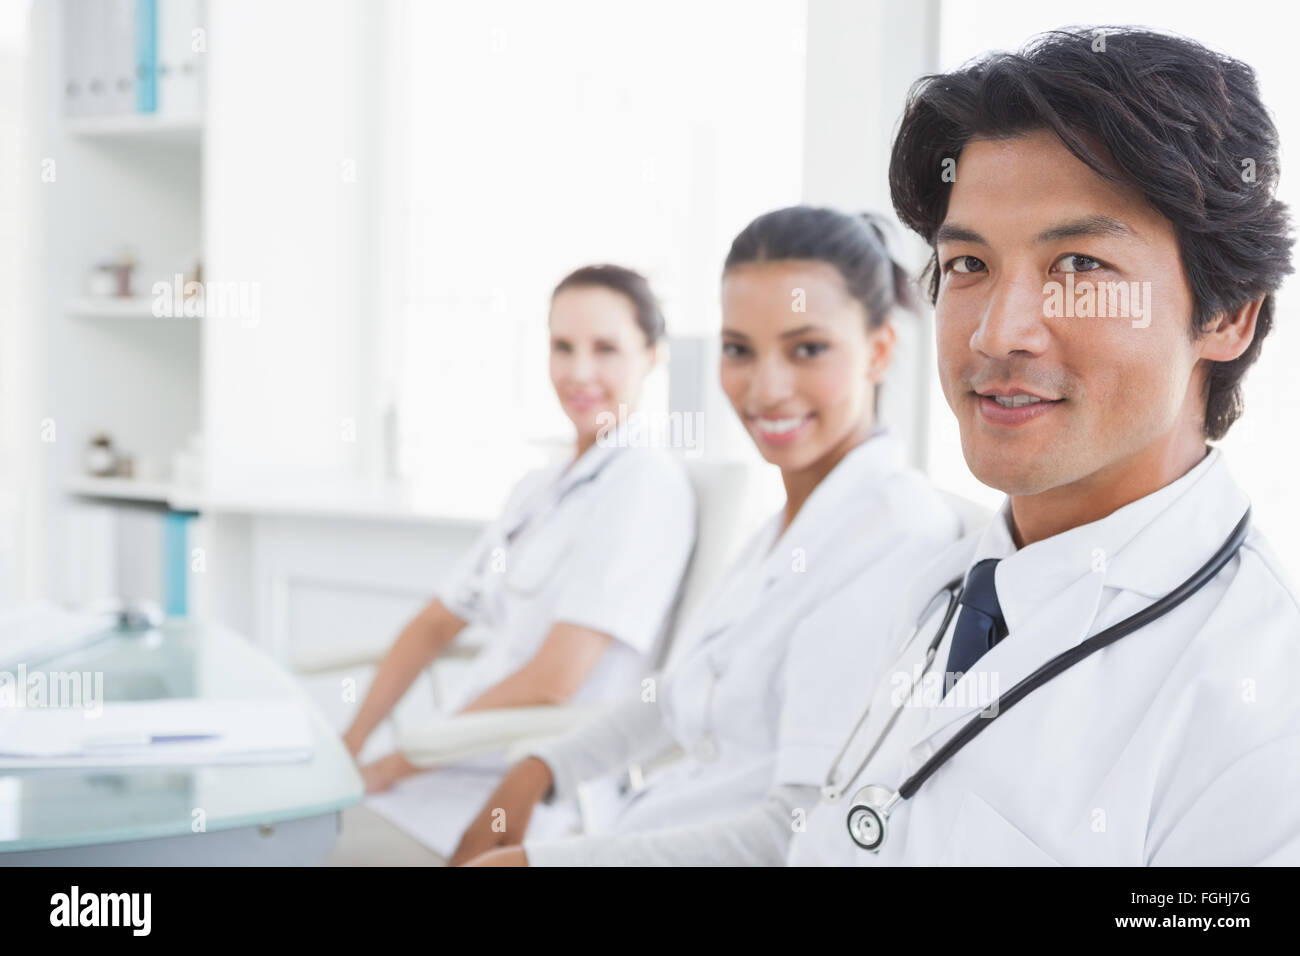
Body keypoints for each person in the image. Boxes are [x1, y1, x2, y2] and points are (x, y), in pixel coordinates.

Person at [792, 27, 1300, 866]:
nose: (999, 333)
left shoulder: (1263, 708)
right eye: (968, 266)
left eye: (1079, 264)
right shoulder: (947, 588)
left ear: (1227, 314)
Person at [453, 206, 961, 866]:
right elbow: (675, 698)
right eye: (738, 350)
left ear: (881, 350)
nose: (766, 388)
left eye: (807, 348)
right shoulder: (785, 524)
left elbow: (802, 833)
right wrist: (538, 771)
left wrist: (538, 864)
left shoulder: (894, 536)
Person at [342, 265, 695, 853]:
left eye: (606, 348)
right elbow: (434, 624)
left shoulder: (645, 487)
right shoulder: (538, 488)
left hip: (527, 792)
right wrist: (349, 749)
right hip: (448, 765)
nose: (579, 371)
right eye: (563, 347)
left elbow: (555, 682)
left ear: (653, 355)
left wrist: (393, 765)